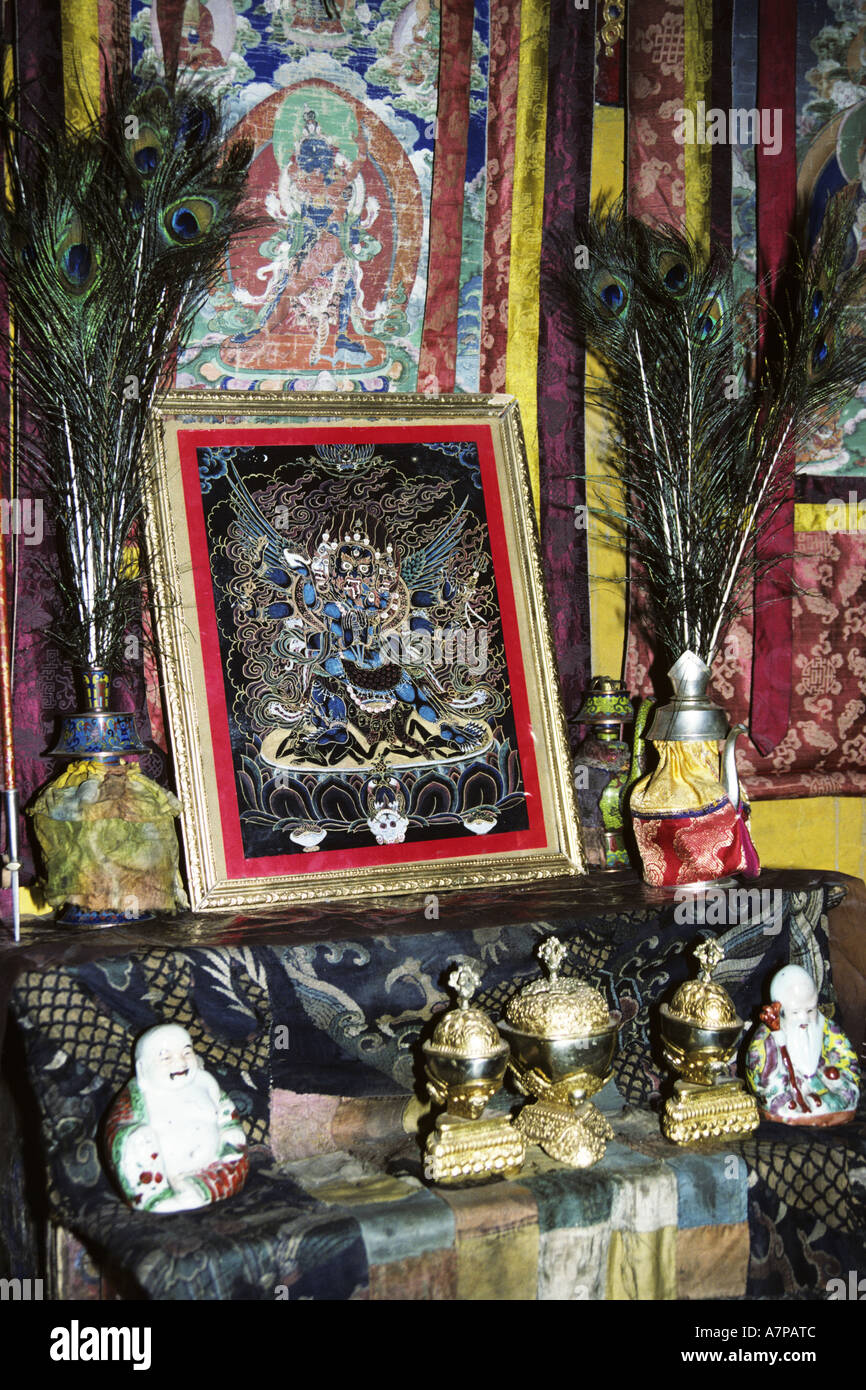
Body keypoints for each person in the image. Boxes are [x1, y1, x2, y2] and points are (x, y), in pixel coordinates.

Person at [105, 1024, 248, 1212]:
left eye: (187, 1053)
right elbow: (119, 1129)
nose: (180, 1062)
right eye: (166, 1058)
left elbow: (226, 1111)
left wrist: (231, 1128)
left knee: (236, 1145)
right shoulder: (137, 1097)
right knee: (136, 1138)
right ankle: (155, 1198)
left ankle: (201, 1189)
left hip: (213, 1166)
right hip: (165, 1175)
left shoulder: (205, 1082)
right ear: (142, 1067)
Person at [746, 964, 860, 1126]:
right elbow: (761, 1077)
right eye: (795, 1012)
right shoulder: (767, 1036)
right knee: (778, 1100)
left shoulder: (825, 1026)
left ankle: (825, 1108)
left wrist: (836, 1074)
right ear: (780, 1010)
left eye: (810, 1010)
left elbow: (846, 1057)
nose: (804, 1019)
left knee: (845, 1094)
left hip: (822, 1083)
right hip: (789, 1089)